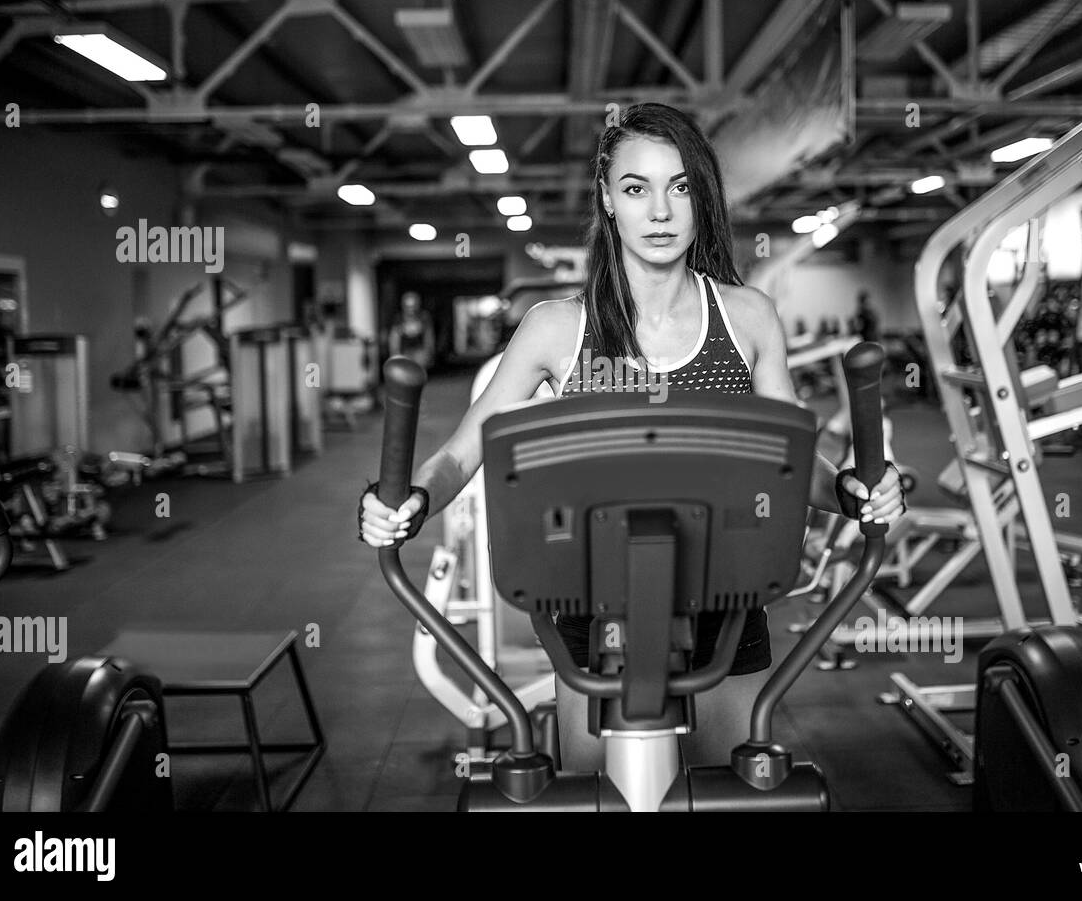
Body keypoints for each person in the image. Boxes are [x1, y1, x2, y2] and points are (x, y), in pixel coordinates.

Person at [359, 102, 905, 771]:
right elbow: (462, 452)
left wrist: (853, 492)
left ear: (699, 199)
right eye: (636, 188)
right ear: (608, 200)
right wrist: (409, 501)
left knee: (728, 789)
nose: (661, 211)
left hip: (724, 604)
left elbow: (790, 464)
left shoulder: (746, 319)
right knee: (598, 798)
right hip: (593, 610)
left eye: (679, 187)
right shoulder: (557, 328)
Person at [390, 292, 434, 369]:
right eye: (408, 306)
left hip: (420, 351)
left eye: (413, 306)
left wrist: (429, 352)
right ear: (404, 306)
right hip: (404, 351)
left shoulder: (424, 317)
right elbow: (394, 339)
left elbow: (429, 336)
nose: (411, 309)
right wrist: (394, 354)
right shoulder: (399, 318)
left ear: (417, 305)